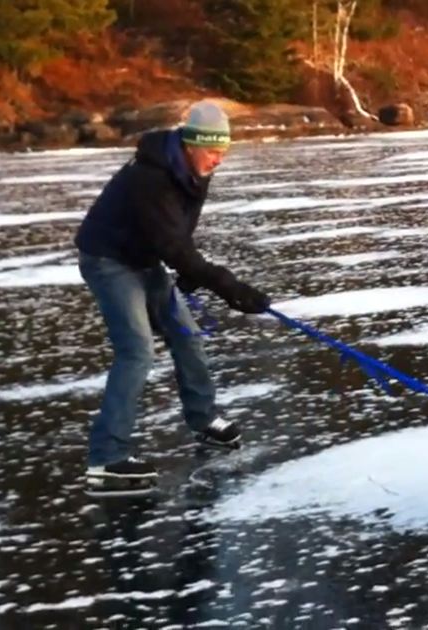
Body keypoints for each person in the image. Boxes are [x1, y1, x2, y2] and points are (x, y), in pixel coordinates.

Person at [73, 100, 272, 487]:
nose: (218, 160)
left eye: (224, 153)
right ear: (191, 144)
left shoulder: (195, 170)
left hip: (146, 259)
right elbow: (170, 239)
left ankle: (203, 418)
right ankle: (106, 460)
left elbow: (177, 232)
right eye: (213, 151)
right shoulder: (150, 176)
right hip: (109, 260)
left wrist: (190, 271)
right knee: (137, 350)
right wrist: (228, 286)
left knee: (187, 335)